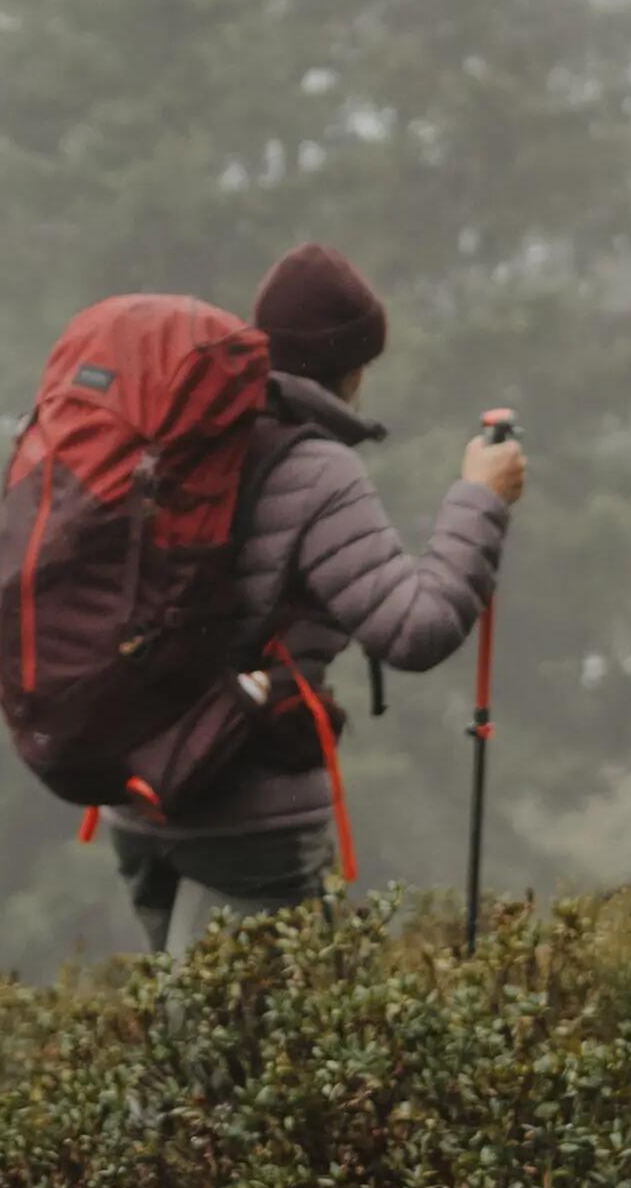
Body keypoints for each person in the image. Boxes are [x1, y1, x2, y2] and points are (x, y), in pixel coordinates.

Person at [109, 240, 528, 952]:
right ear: (353, 368)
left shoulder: (180, 438)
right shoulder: (315, 468)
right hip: (251, 811)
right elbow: (414, 629)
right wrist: (480, 500)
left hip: (141, 792)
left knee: (180, 1019)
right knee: (251, 1025)